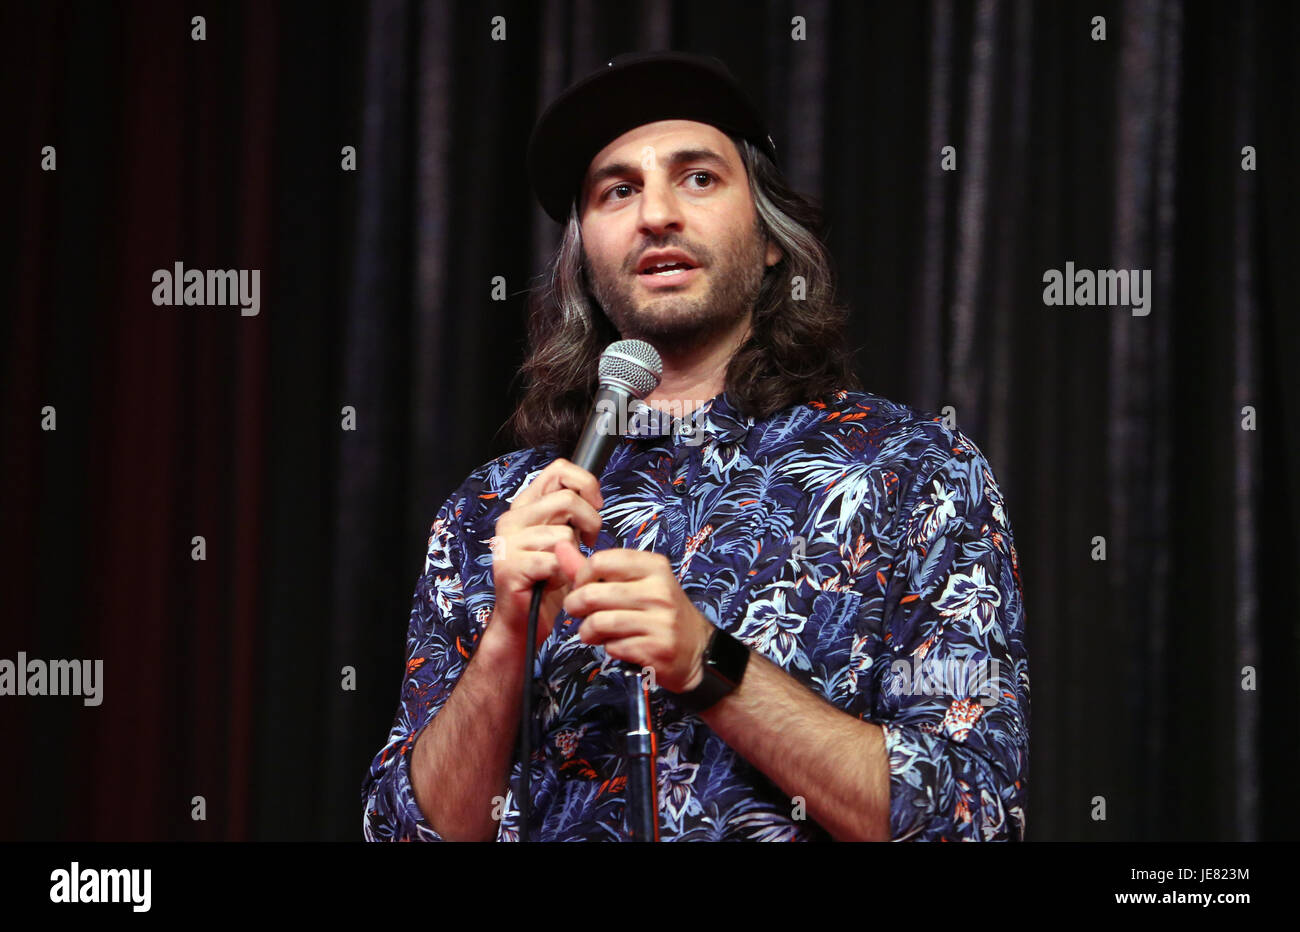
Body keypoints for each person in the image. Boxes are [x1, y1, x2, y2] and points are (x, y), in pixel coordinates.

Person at [362, 51, 1029, 842]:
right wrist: (507, 642)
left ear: (772, 237)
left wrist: (708, 664)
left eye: (698, 178)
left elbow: (971, 817)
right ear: (583, 261)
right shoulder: (488, 516)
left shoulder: (914, 473)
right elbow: (402, 835)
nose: (656, 215)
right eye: (619, 190)